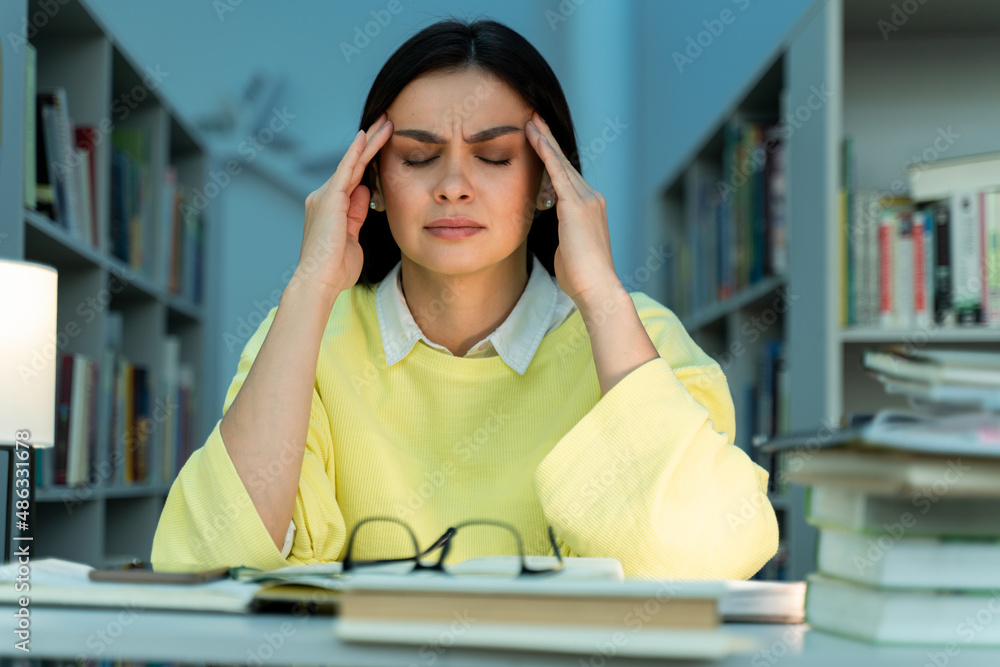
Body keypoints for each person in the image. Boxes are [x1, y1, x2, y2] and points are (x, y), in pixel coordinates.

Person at [151, 17, 778, 579]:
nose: (453, 186)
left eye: (495, 157)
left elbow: (706, 557)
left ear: (547, 184)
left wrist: (601, 295)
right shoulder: (306, 332)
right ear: (372, 180)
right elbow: (210, 560)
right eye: (419, 157)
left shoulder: (636, 334)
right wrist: (310, 285)